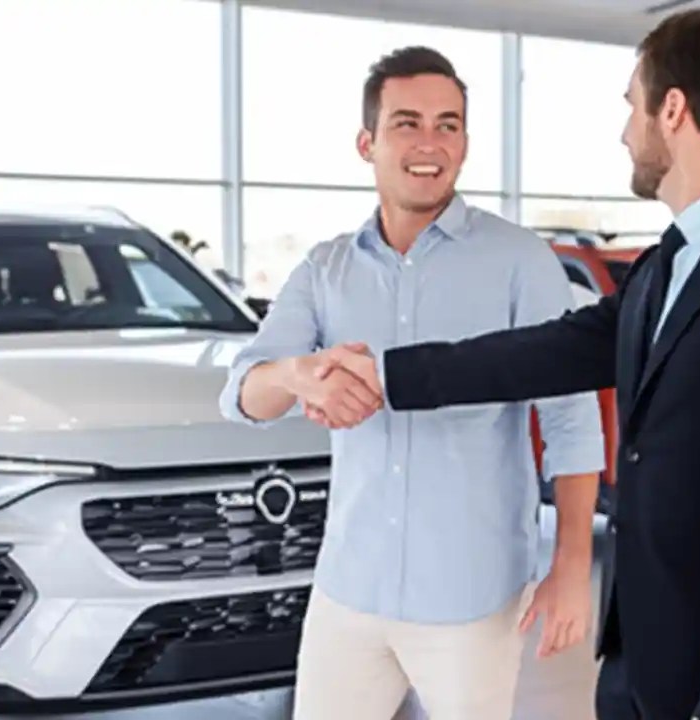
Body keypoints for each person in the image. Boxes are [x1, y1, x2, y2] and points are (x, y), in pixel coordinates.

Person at [308, 10, 700, 720]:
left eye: (633, 105)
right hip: (637, 661)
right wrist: (387, 376)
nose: (626, 129)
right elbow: (537, 354)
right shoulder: (662, 268)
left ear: (673, 110)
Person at [217, 46, 606, 720]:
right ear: (367, 142)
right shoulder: (325, 269)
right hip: (348, 590)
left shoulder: (521, 262)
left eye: (448, 124)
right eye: (407, 123)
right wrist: (298, 374)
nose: (430, 143)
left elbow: (572, 421)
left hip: (472, 599)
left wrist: (571, 569)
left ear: (465, 142)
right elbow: (243, 395)